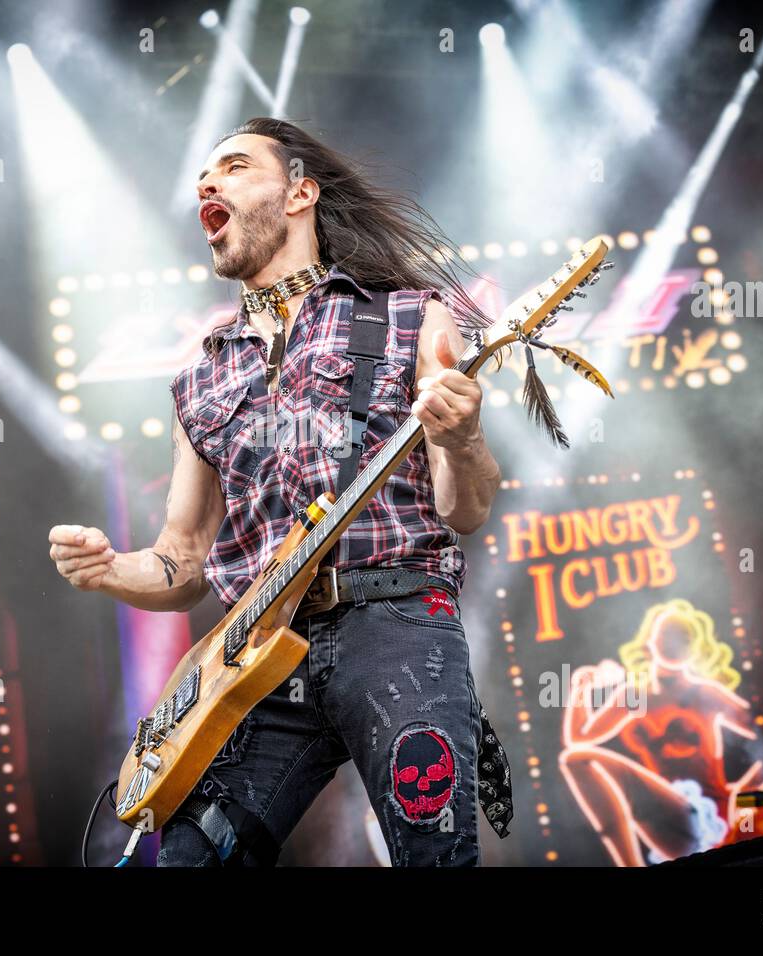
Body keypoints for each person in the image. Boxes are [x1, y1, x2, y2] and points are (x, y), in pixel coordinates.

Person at [49, 118, 511, 866]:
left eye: (232, 166)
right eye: (202, 177)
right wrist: (110, 569)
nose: (208, 184)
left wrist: (461, 437)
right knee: (188, 859)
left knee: (433, 853)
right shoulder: (199, 378)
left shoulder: (405, 316)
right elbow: (182, 559)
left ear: (300, 191)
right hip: (259, 652)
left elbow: (467, 508)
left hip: (393, 621)